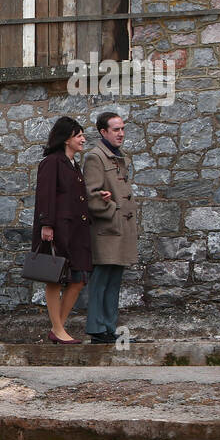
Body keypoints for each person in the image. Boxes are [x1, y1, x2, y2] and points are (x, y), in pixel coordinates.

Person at [32, 117, 103, 344]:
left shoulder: (73, 165)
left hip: (77, 230)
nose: (83, 139)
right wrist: (46, 224)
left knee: (79, 278)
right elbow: (45, 194)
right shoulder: (51, 162)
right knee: (54, 277)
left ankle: (57, 328)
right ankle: (58, 329)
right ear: (66, 139)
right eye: (78, 135)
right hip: (58, 229)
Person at [82, 111, 139, 344]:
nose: (121, 133)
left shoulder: (118, 156)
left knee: (114, 281)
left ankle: (108, 328)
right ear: (103, 132)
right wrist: (113, 209)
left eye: (122, 129)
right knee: (101, 280)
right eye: (116, 129)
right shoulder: (96, 157)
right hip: (106, 231)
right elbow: (91, 195)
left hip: (120, 230)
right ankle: (97, 329)